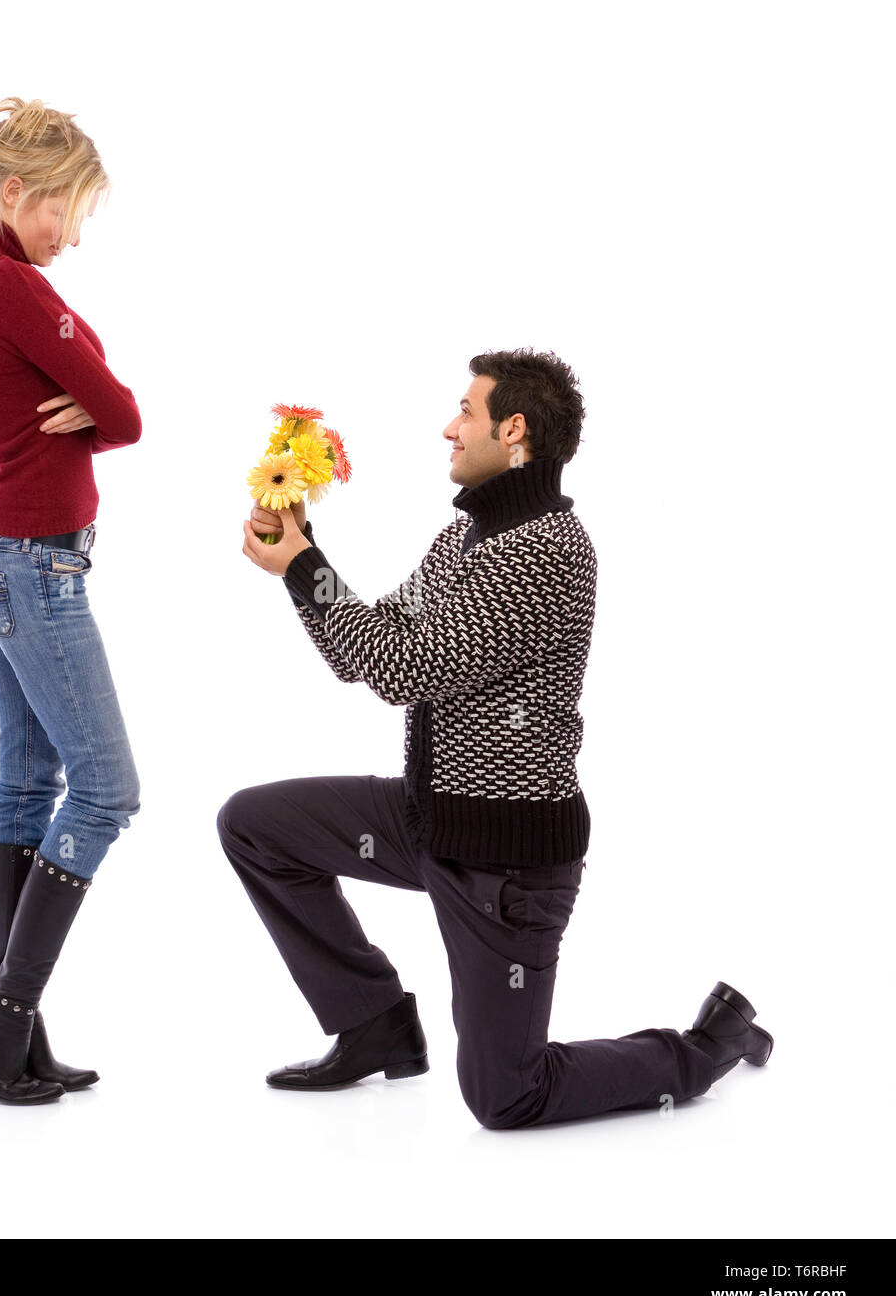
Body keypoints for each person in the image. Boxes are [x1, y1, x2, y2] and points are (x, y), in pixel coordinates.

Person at [218, 348, 773, 1128]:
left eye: (466, 413)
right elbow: (370, 643)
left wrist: (304, 568)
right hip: (429, 820)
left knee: (508, 1095)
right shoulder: (468, 538)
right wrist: (305, 559)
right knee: (255, 827)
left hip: (504, 868)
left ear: (513, 430)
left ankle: (705, 1047)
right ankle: (373, 1022)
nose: (449, 428)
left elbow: (401, 673)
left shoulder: (543, 551)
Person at [0, 97, 143, 1105]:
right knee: (106, 792)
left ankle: (12, 1028)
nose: (72, 233)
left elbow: (102, 403)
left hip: (12, 549)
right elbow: (126, 412)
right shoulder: (7, 287)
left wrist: (91, 403)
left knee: (28, 788)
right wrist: (93, 406)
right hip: (33, 561)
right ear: (18, 193)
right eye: (65, 209)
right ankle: (8, 1005)